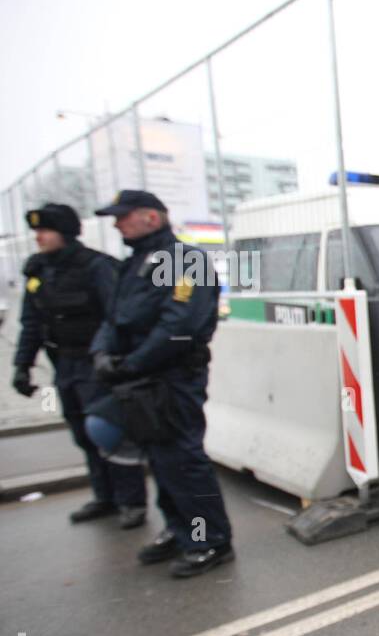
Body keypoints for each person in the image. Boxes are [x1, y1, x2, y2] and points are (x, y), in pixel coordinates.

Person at [90, 190, 234, 578]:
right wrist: (102, 354)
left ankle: (209, 539)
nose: (117, 223)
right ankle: (180, 528)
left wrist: (131, 364)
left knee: (184, 460)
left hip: (172, 379)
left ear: (151, 217)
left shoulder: (185, 261)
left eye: (123, 216)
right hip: (139, 379)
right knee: (160, 460)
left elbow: (180, 328)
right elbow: (112, 320)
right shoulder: (133, 264)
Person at [12, 203, 146, 528]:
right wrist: (22, 366)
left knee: (108, 432)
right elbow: (31, 323)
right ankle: (105, 497)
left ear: (65, 233)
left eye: (45, 230)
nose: (38, 237)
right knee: (81, 432)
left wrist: (115, 360)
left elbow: (117, 317)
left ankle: (131, 501)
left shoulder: (96, 267)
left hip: (96, 363)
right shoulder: (39, 271)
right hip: (65, 364)